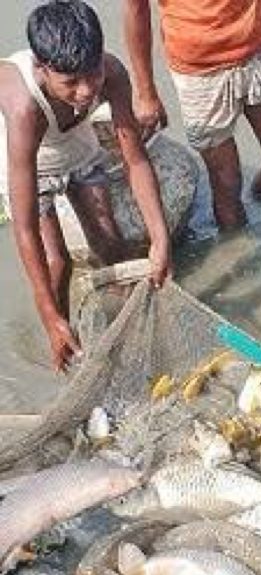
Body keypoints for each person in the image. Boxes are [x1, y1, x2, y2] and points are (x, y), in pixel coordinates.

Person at [1, 0, 173, 373]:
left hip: (79, 147)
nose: (84, 91)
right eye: (70, 82)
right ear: (41, 69)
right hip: (30, 157)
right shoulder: (23, 107)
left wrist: (160, 238)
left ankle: (131, 333)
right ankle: (62, 342)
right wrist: (49, 317)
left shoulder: (110, 72)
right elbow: (25, 224)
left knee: (112, 243)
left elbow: (135, 158)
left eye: (90, 75)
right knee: (56, 262)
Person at [123, 0, 261, 230]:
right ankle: (240, 250)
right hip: (199, 71)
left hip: (258, 52)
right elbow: (136, 9)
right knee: (226, 184)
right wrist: (147, 94)